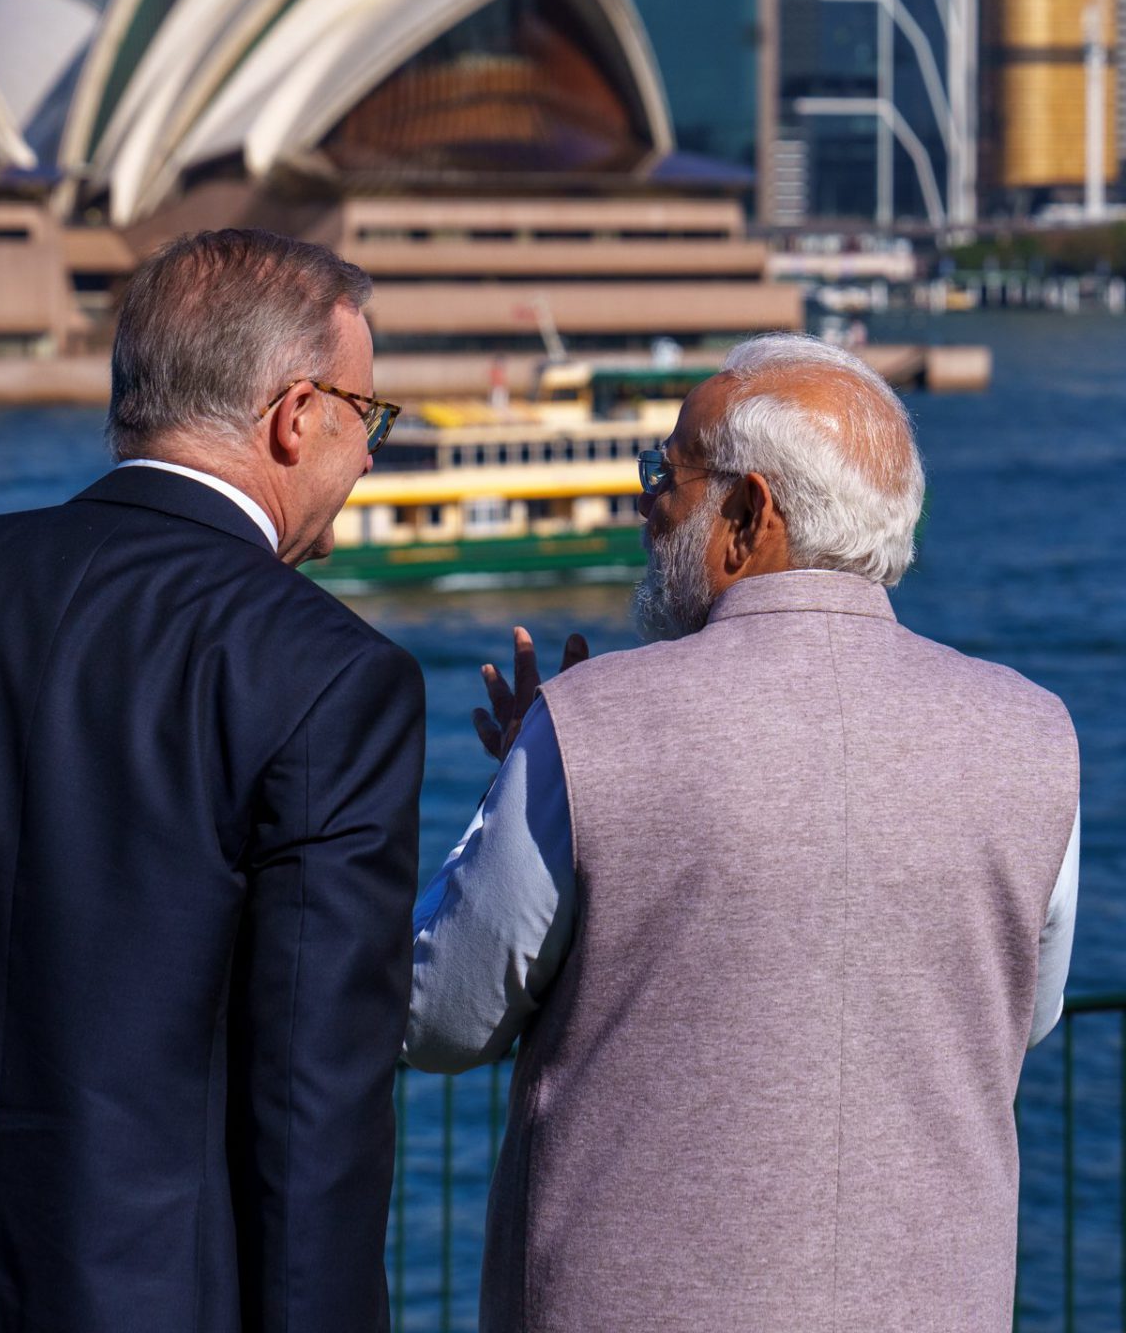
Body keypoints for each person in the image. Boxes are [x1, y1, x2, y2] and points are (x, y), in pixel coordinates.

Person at [0, 228, 425, 1333]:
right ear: (296, 416)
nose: (371, 458)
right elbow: (315, 1109)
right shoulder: (325, 672)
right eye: (369, 416)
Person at [407, 333, 1079, 1333]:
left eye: (665, 475)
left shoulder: (592, 723)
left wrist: (532, 775)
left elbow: (442, 1017)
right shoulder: (1033, 733)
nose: (644, 506)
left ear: (749, 514)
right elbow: (1026, 1010)